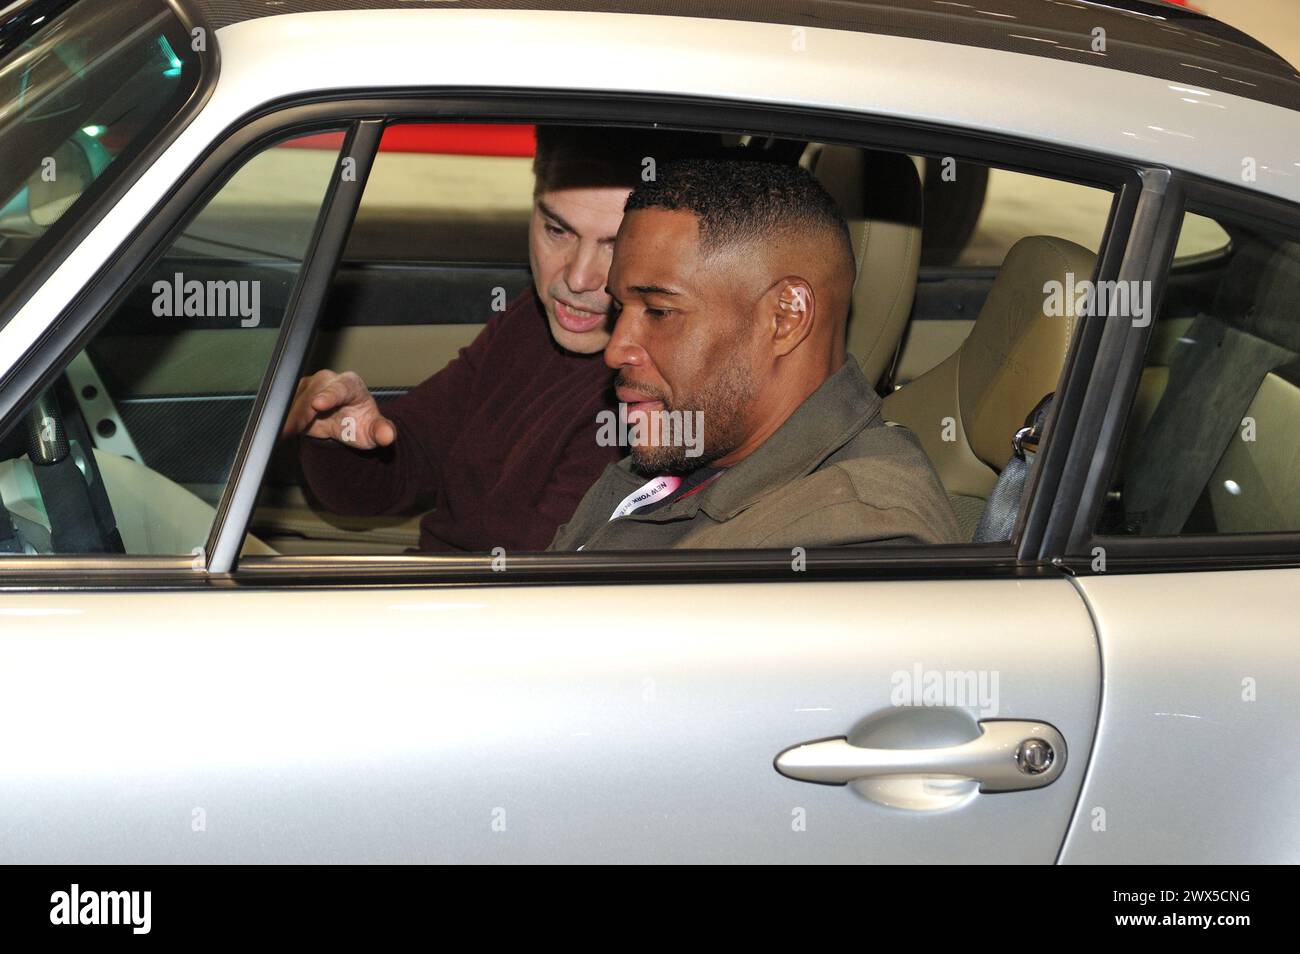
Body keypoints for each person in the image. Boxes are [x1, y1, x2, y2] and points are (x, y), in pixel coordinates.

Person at [280, 126, 709, 551]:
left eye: (617, 246)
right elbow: (392, 477)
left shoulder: (664, 391)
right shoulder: (530, 321)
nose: (578, 279)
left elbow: (536, 584)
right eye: (557, 230)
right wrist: (338, 434)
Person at [550, 157, 961, 550]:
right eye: (620, 309)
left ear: (785, 318)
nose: (616, 350)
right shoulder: (698, 443)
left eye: (660, 311)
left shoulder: (854, 538)